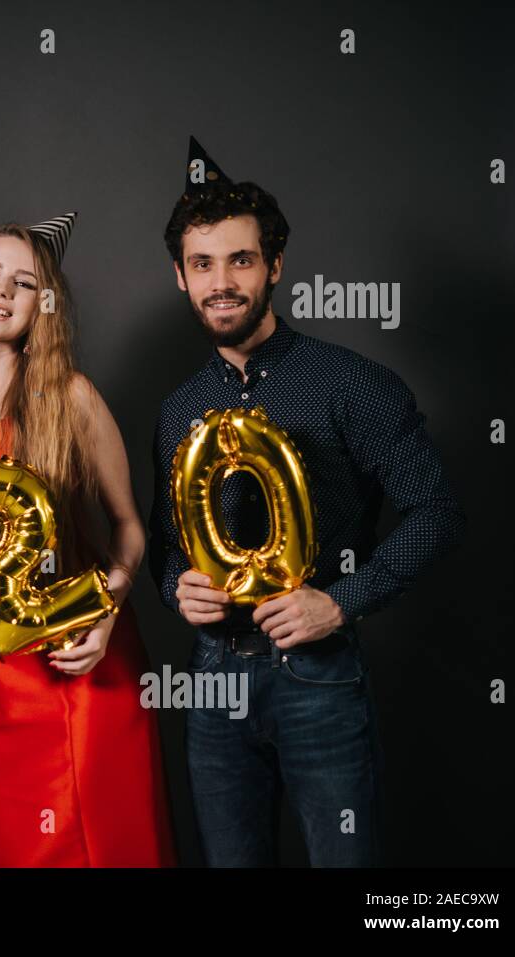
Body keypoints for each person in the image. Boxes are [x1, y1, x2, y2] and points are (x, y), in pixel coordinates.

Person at [148, 136, 466, 866]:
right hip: (213, 678)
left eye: (240, 259)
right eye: (202, 264)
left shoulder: (350, 383)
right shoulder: (176, 410)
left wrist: (342, 600)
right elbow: (165, 542)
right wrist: (174, 586)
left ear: (275, 266)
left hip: (319, 676)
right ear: (180, 277)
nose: (221, 281)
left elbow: (438, 512)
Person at [0, 214, 177, 867]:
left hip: (83, 661)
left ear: (43, 306)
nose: (1, 290)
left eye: (24, 282)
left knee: (106, 844)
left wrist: (109, 611)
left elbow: (129, 527)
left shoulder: (71, 397)